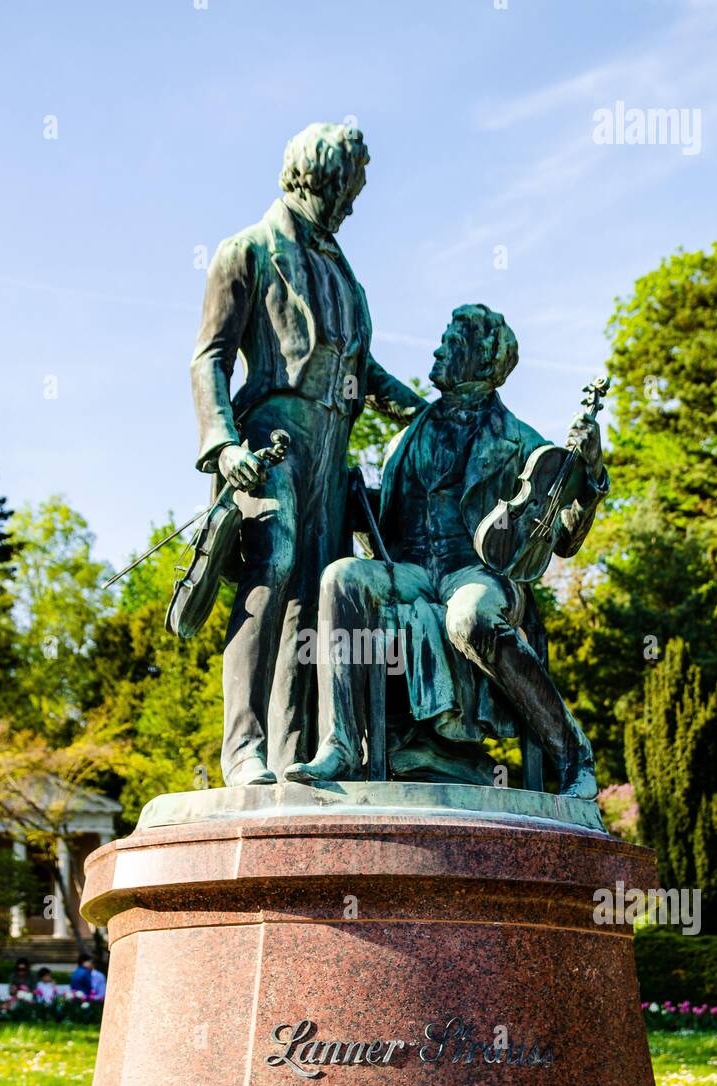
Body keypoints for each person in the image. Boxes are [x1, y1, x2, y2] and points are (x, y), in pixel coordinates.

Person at [286, 305, 608, 798]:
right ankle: (343, 744)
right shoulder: (405, 437)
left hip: (476, 571)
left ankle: (573, 755)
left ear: (483, 361)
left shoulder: (518, 439)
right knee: (342, 578)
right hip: (411, 569)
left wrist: (591, 477)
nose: (437, 350)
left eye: (452, 342)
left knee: (468, 617)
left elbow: (564, 538)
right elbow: (387, 521)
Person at [190, 122, 425, 785]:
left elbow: (363, 368)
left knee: (316, 594)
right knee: (275, 563)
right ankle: (241, 747)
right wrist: (222, 443)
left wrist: (428, 410)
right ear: (324, 177)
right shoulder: (248, 251)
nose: (354, 201)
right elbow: (208, 358)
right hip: (271, 434)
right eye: (352, 186)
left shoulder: (344, 273)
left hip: (332, 443)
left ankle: (295, 753)